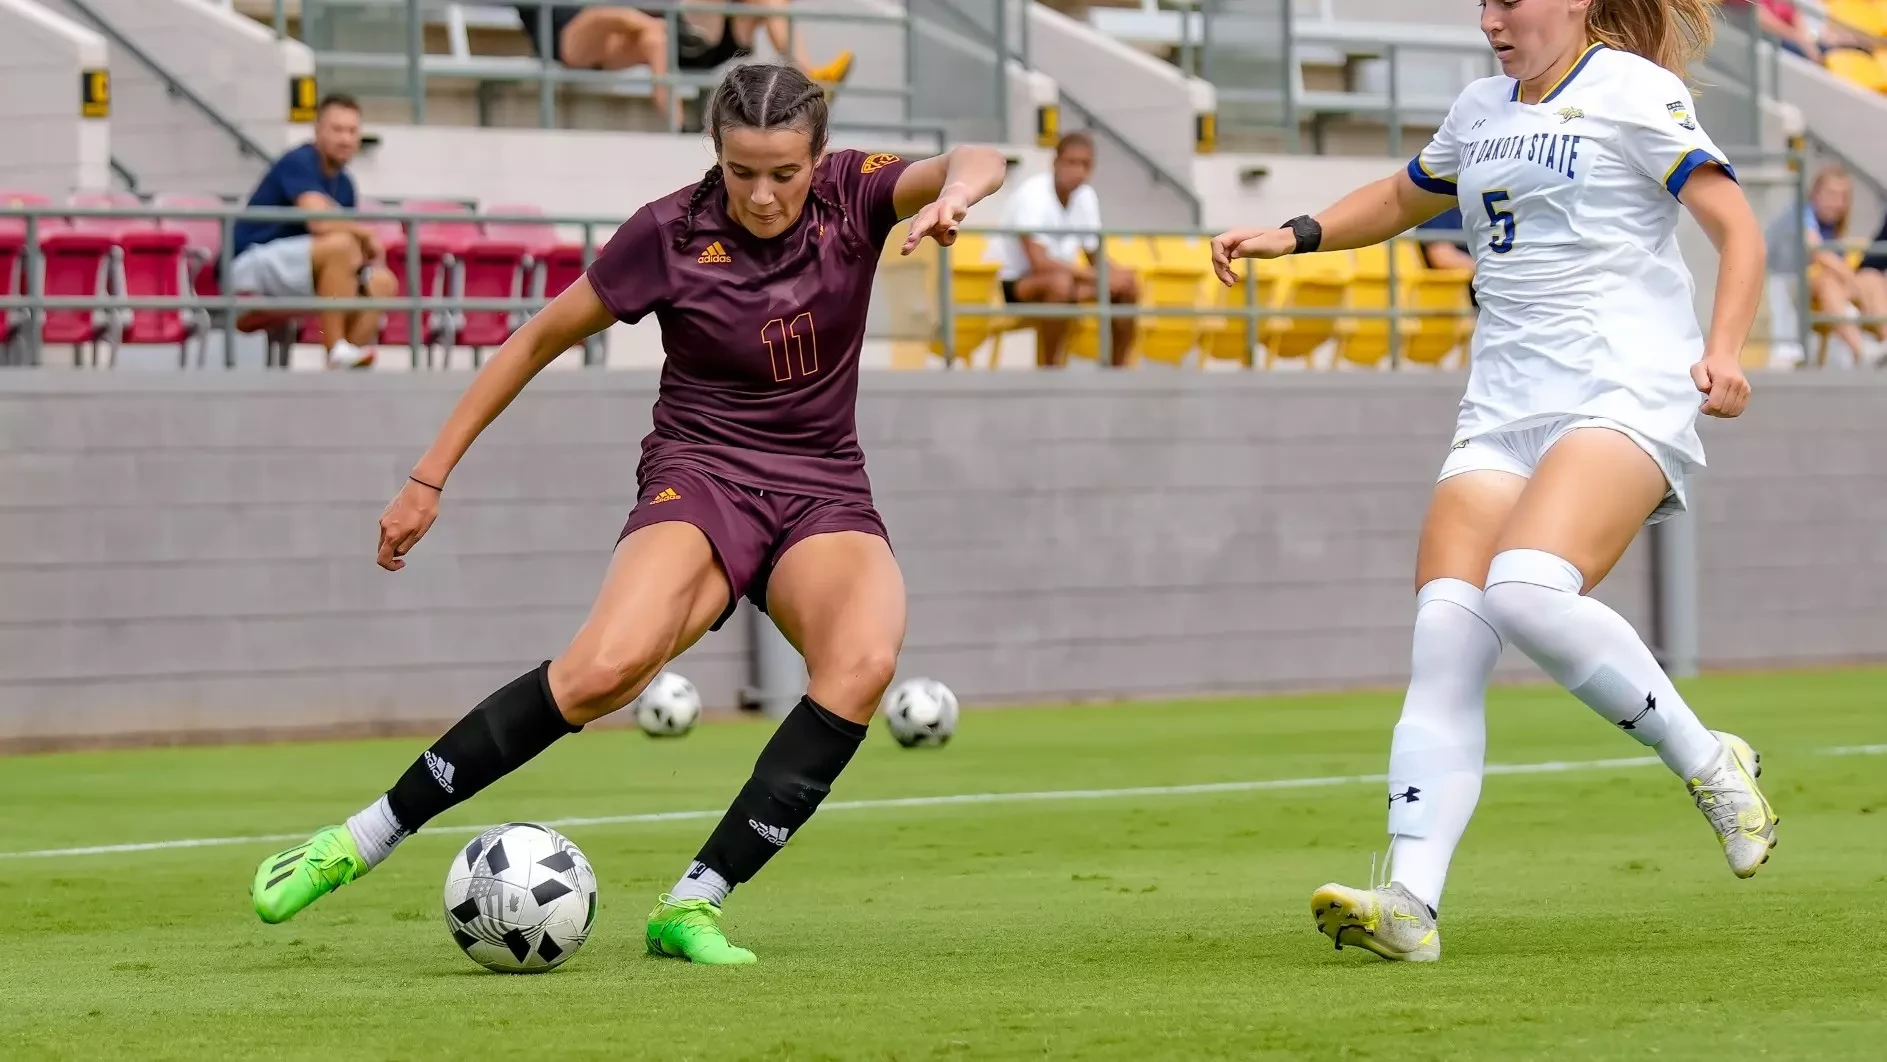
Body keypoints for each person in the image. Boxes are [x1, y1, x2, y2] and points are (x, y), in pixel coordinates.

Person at [248, 63, 1007, 965]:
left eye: (784, 173)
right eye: (741, 171)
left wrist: (955, 194)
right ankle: (357, 840)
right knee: (602, 671)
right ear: (714, 156)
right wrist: (428, 476)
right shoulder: (668, 232)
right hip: (703, 474)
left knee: (863, 662)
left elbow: (982, 154)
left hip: (823, 485)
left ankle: (694, 903)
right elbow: (534, 340)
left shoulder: (856, 193)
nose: (762, 195)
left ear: (820, 159)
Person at [1211, 0, 1775, 963]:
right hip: (1502, 406)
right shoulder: (1479, 107)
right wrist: (1293, 232)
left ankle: (1705, 758)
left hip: (1624, 385)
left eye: (1508, 0)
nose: (1489, 19)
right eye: (1481, 2)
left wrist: (1722, 352)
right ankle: (1409, 906)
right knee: (1444, 628)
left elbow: (1737, 228)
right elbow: (1401, 198)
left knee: (1524, 589)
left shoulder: (1635, 91)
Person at [228, 94, 397, 370]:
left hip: (303, 271)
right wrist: (364, 235)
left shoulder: (345, 184)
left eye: (352, 131)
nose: (345, 139)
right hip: (252, 264)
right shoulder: (299, 160)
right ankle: (336, 350)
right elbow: (319, 221)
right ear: (318, 131)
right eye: (337, 129)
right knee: (342, 246)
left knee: (382, 282)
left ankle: (343, 370)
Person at [514, 3, 854, 122]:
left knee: (768, 0)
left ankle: (812, 78)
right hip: (587, 39)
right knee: (646, 31)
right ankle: (675, 128)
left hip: (686, 34)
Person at [997, 131, 1140, 367]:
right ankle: (1051, 370)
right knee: (1059, 285)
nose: (1078, 171)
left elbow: (1094, 256)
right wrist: (1099, 277)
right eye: (1072, 162)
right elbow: (1039, 263)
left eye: (1085, 164)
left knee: (1127, 286)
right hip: (1016, 285)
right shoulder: (1032, 195)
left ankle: (1118, 372)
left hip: (1066, 279)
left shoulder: (1086, 197)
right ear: (1055, 162)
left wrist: (1116, 276)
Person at [1766, 164, 1883, 367]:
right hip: (1791, 285)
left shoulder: (1831, 225)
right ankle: (1862, 350)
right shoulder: (1801, 212)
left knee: (1872, 278)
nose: (1836, 203)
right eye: (1830, 194)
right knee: (1829, 282)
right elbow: (1818, 252)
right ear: (1815, 193)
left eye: (1843, 197)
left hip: (1821, 285)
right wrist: (1851, 278)